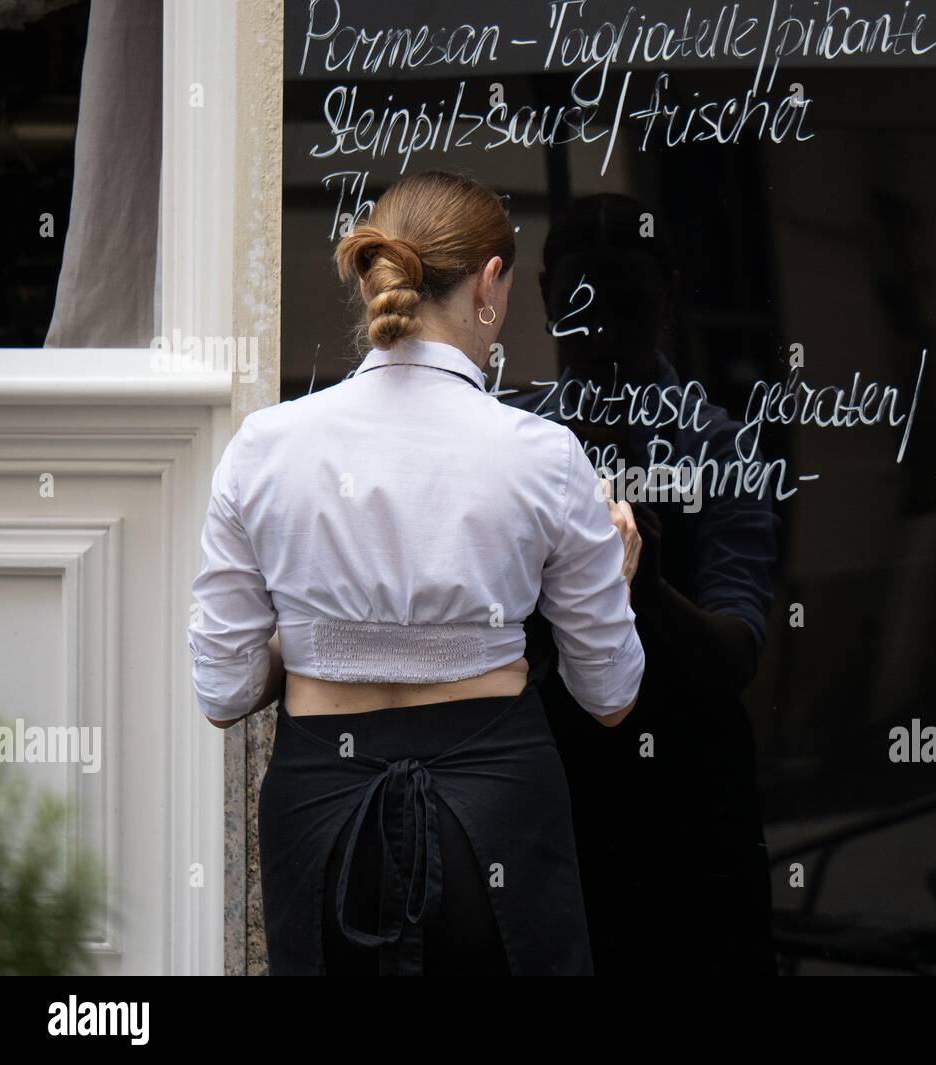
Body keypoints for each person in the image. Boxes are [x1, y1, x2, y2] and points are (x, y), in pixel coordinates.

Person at [186, 170, 645, 976]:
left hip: (321, 816)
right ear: (491, 284)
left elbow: (223, 692)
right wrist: (619, 577)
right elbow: (609, 697)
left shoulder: (262, 448)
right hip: (499, 813)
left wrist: (321, 631)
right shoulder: (545, 457)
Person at [507, 193, 779, 973]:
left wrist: (648, 588)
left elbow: (736, 654)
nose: (600, 332)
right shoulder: (515, 440)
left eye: (624, 304)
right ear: (546, 300)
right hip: (554, 785)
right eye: (580, 306)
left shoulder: (722, 449)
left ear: (668, 297)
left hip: (691, 798)